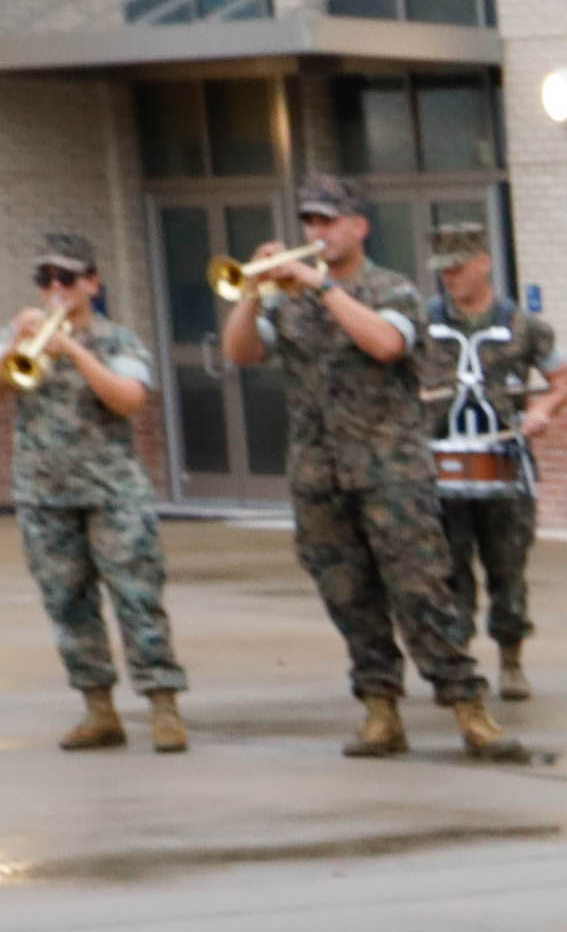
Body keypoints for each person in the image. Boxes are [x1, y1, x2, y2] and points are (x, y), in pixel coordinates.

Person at [220, 171, 518, 762]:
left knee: (421, 590)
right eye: (309, 222)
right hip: (319, 473)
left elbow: (386, 344)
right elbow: (241, 353)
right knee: (347, 594)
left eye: (327, 221)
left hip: (390, 472)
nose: (316, 232)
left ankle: (468, 707)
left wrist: (321, 286)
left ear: (359, 226)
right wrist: (253, 290)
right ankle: (380, 709)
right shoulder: (290, 301)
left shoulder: (393, 290)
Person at [12, 232, 182, 753]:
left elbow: (128, 399)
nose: (56, 289)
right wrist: (19, 344)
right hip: (45, 493)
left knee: (137, 599)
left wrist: (72, 350)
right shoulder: (23, 337)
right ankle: (98, 710)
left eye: (66, 278)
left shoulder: (119, 342)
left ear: (92, 283)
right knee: (67, 604)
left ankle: (162, 706)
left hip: (112, 492)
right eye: (46, 280)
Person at [416, 223, 567, 705]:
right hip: (439, 462)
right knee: (447, 569)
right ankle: (458, 664)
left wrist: (541, 412)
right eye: (442, 271)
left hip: (504, 463)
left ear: (483, 262)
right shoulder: (423, 322)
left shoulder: (524, 326)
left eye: (457, 269)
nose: (449, 279)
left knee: (507, 566)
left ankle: (511, 661)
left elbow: (561, 381)